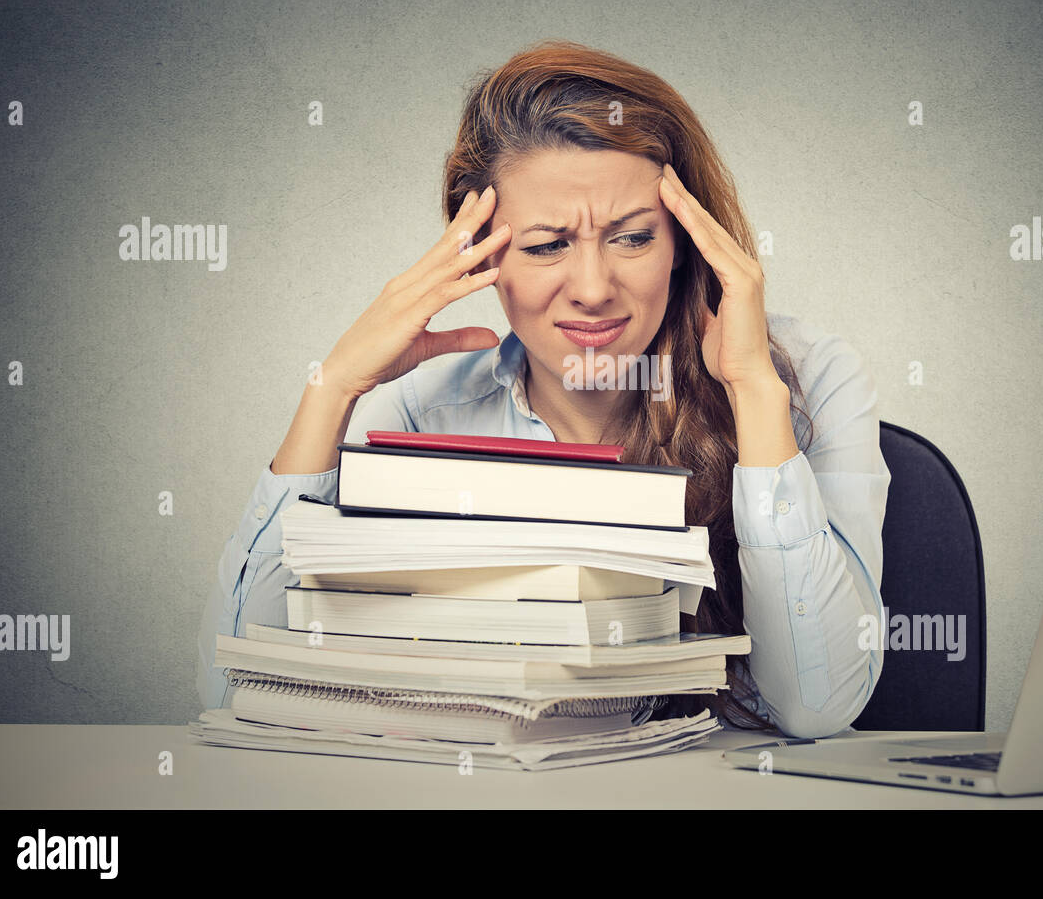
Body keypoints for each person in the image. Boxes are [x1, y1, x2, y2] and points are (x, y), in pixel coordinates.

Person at [196, 40, 890, 739]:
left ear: (684, 241)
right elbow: (232, 694)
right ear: (482, 254)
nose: (592, 290)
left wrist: (754, 397)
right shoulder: (422, 417)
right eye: (546, 245)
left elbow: (815, 706)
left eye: (632, 238)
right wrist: (332, 388)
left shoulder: (807, 382)